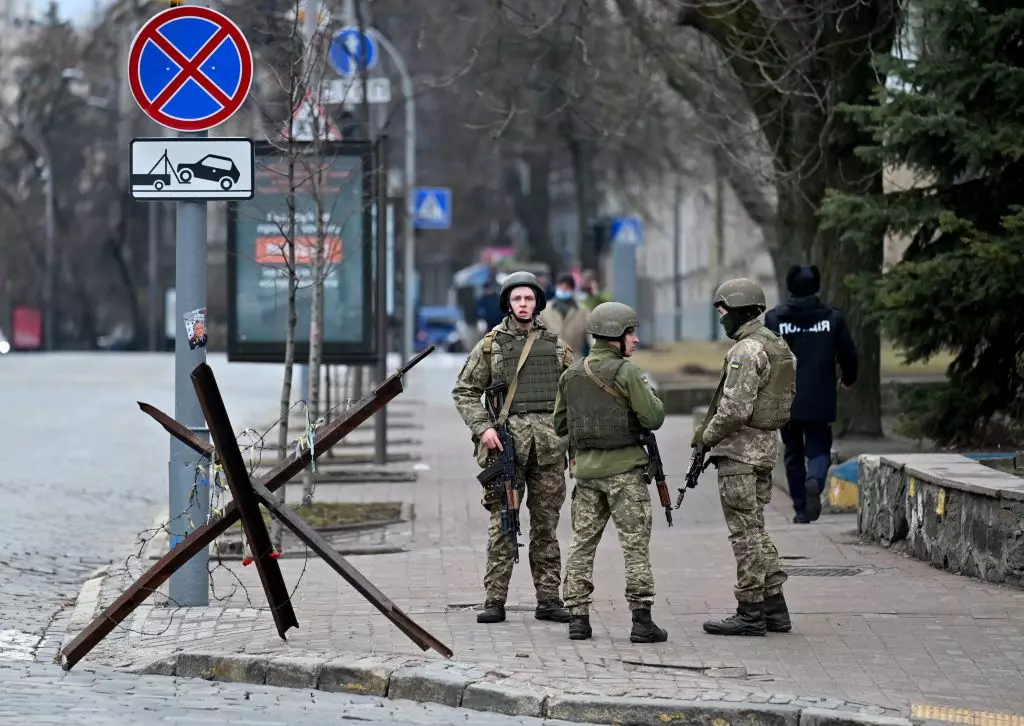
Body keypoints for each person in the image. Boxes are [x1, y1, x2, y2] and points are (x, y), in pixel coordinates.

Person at [452, 270, 574, 625]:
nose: (524, 304)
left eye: (529, 298)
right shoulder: (490, 346)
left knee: (546, 528)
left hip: (549, 450)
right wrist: (483, 428)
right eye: (517, 299)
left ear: (538, 303)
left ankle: (549, 599)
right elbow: (464, 391)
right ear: (508, 303)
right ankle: (494, 599)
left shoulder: (555, 346)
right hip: (507, 450)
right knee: (502, 525)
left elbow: (578, 386)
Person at [554, 302, 668, 643]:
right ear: (616, 337)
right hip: (625, 474)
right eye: (631, 333)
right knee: (634, 546)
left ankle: (578, 619)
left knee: (581, 545)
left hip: (586, 474)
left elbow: (560, 423)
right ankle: (641, 622)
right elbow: (654, 418)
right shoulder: (628, 373)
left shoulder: (571, 373)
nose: (635, 339)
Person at [692, 278, 795, 637]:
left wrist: (705, 438)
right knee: (755, 529)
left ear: (737, 310)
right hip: (764, 450)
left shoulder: (745, 351)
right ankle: (774, 608)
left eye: (723, 311)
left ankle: (749, 610)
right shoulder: (775, 343)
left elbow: (734, 409)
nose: (720, 318)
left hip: (740, 454)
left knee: (744, 535)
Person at [765, 265, 859, 523]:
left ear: (790, 288)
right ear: (816, 287)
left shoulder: (775, 320)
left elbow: (767, 358)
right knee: (818, 450)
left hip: (786, 399)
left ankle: (801, 510)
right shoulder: (832, 319)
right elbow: (849, 354)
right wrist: (848, 379)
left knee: (793, 453)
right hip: (820, 397)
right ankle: (815, 481)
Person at [540, 273, 591, 357]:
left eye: (567, 287)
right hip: (551, 359)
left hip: (576, 360)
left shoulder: (583, 311)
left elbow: (591, 334)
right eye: (561, 286)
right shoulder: (545, 310)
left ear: (572, 289)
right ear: (556, 287)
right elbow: (537, 334)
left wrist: (593, 356)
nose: (563, 289)